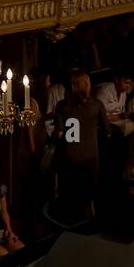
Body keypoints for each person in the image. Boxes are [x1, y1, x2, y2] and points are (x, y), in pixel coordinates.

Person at [53, 69, 108, 223]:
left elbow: (62, 134)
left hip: (69, 159)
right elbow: (107, 131)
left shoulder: (62, 106)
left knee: (69, 199)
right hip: (89, 159)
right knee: (88, 199)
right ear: (86, 85)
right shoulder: (96, 105)